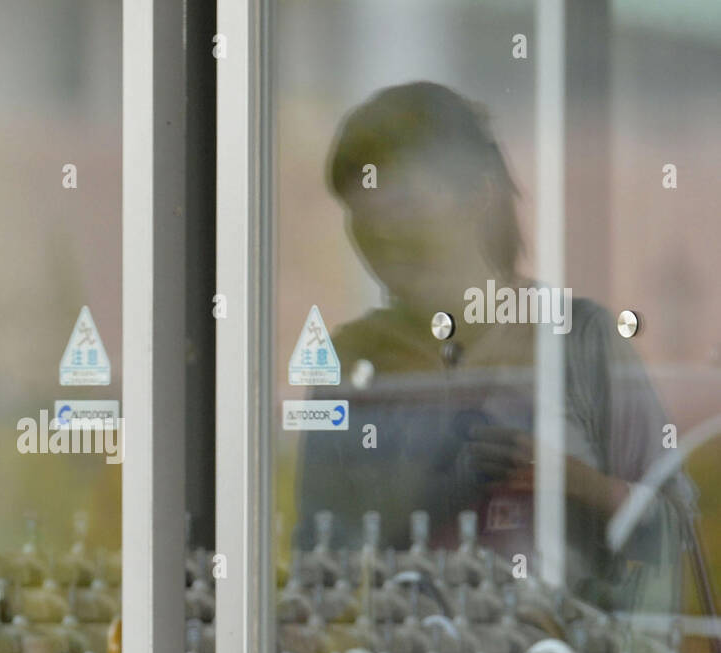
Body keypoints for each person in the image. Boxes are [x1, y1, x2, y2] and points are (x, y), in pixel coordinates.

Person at [294, 81, 697, 617]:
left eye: (403, 199)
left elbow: (680, 527)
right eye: (360, 208)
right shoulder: (350, 363)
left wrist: (568, 481)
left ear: (478, 196)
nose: (378, 227)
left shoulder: (579, 341)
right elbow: (313, 562)